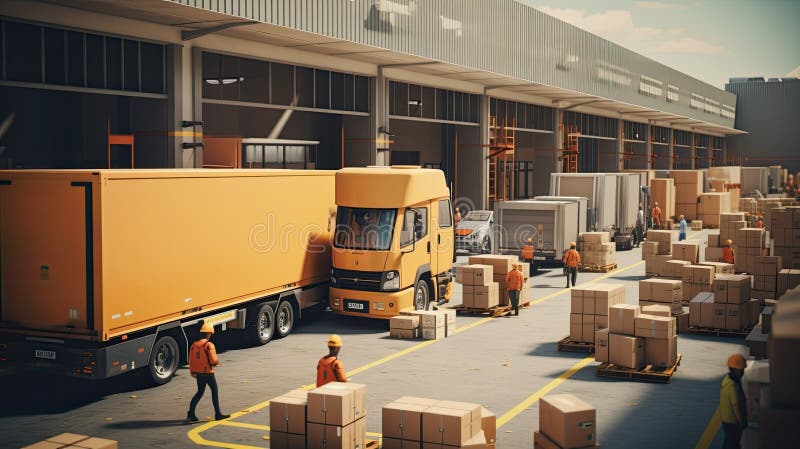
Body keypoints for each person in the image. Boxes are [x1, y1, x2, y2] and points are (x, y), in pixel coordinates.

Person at [187, 323, 229, 423]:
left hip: (199, 374)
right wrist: (216, 363)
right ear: (208, 333)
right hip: (208, 374)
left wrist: (192, 371)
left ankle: (191, 413)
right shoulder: (208, 345)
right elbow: (213, 360)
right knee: (214, 392)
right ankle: (218, 414)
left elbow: (191, 360)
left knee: (199, 393)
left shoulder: (194, 345)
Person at [720, 353, 748, 449]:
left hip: (725, 418)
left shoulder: (726, 379)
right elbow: (735, 405)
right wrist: (741, 421)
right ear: (736, 370)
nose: (743, 372)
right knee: (733, 440)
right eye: (742, 370)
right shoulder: (733, 386)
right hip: (732, 420)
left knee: (731, 440)